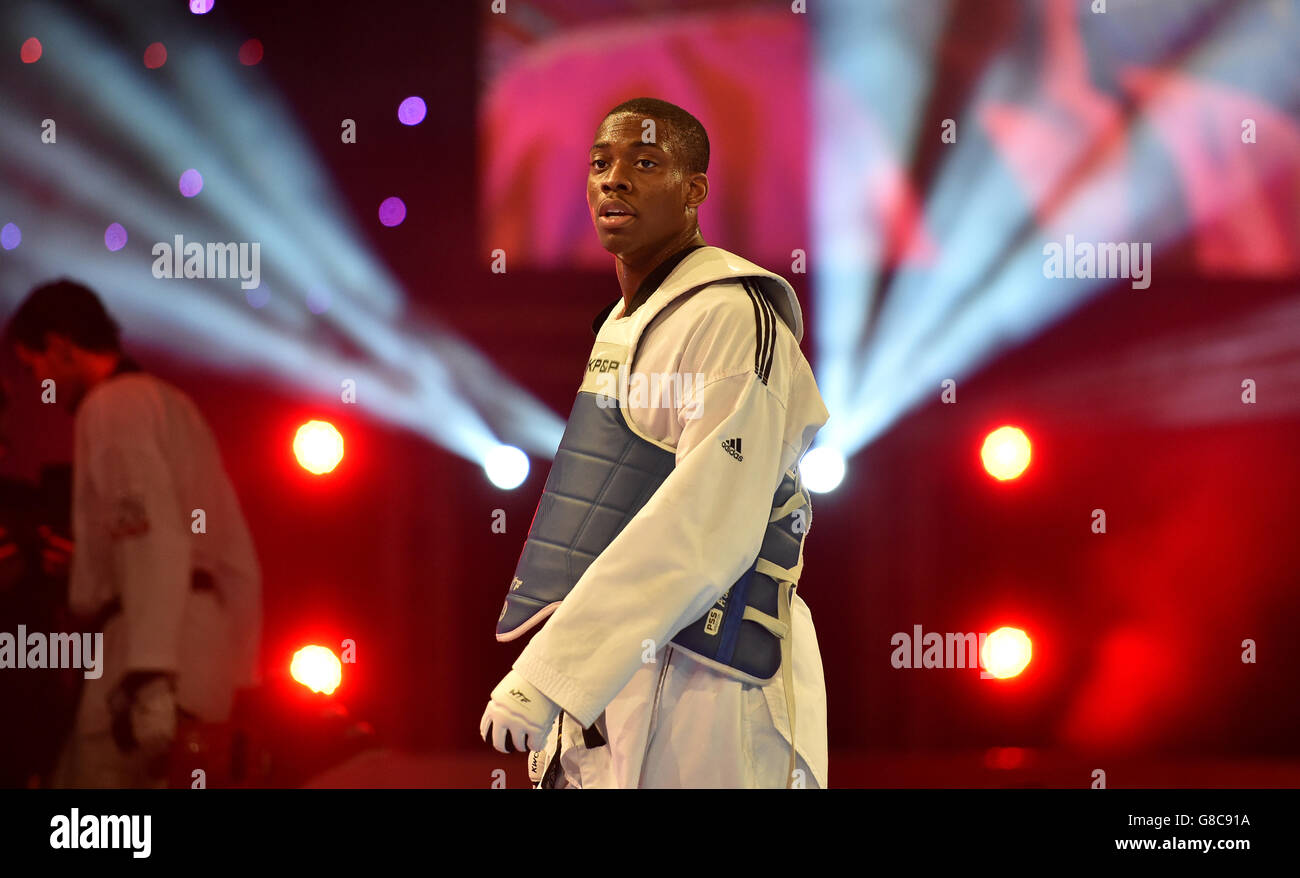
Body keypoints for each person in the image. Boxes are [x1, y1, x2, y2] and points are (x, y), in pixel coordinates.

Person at [480, 98, 831, 788]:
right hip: (616, 682)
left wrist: (553, 671)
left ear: (695, 191)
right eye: (600, 164)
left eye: (645, 164)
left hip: (713, 682)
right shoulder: (624, 320)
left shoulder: (733, 314)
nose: (614, 180)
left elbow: (709, 520)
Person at [4, 280, 261, 788]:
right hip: (202, 655)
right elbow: (234, 558)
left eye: (36, 369)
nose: (41, 387)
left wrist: (149, 674)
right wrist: (242, 674)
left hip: (145, 659)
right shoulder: (176, 405)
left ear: (60, 347)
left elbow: (150, 535)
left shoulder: (112, 408)